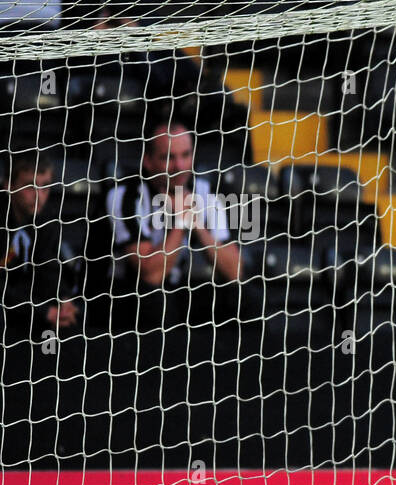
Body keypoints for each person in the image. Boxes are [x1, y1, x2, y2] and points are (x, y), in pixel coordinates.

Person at [106, 119, 241, 332]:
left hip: (177, 290)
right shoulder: (124, 195)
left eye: (185, 155)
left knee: (244, 298)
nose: (179, 166)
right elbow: (150, 275)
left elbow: (235, 271)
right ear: (148, 161)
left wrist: (198, 225)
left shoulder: (205, 189)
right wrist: (180, 221)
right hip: (124, 296)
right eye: (168, 157)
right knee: (155, 301)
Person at [1, 152, 81, 341]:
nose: (39, 196)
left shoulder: (46, 218)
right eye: (30, 186)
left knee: (73, 315)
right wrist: (42, 311)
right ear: (8, 186)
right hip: (8, 299)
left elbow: (47, 267)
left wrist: (63, 299)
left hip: (21, 295)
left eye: (45, 187)